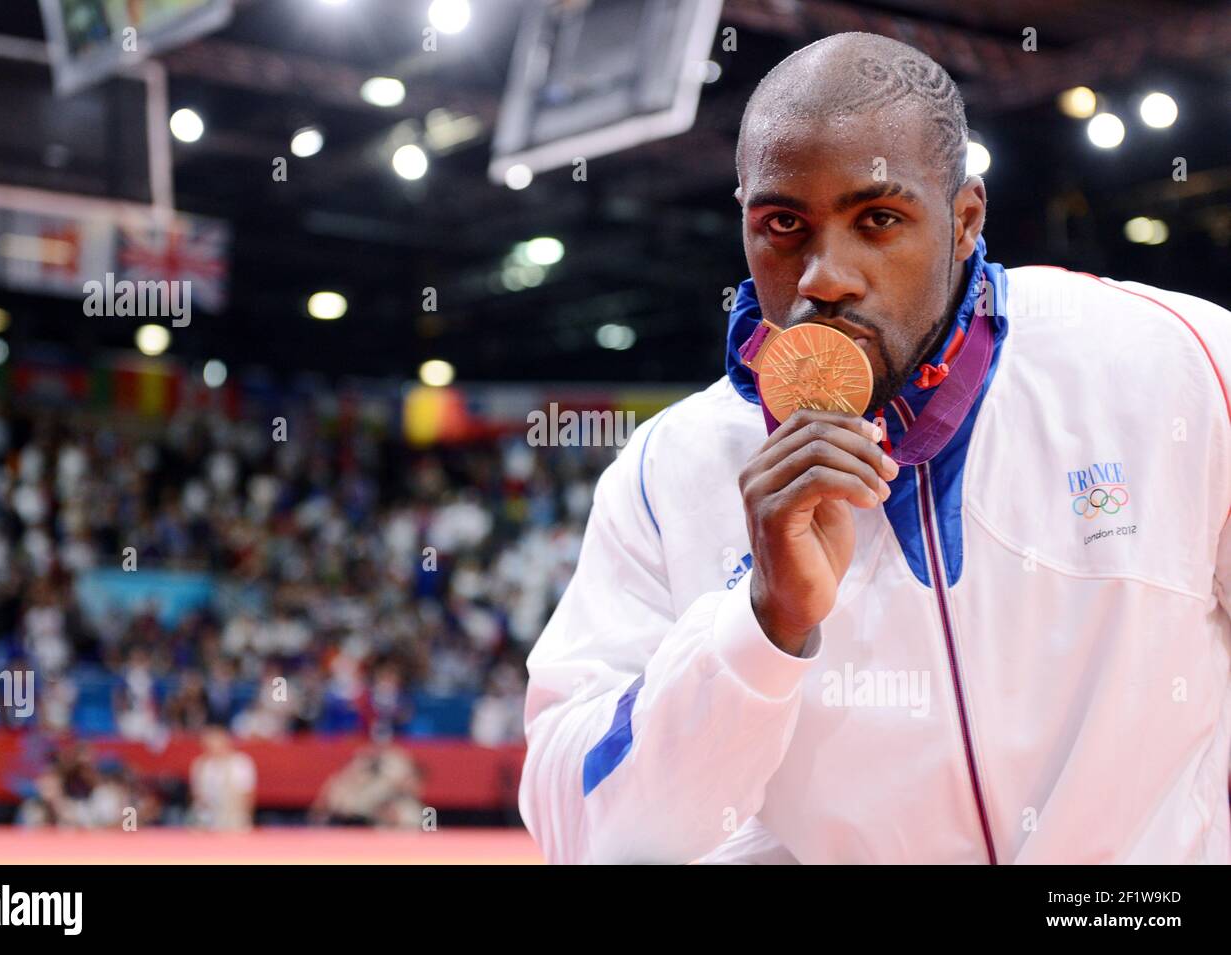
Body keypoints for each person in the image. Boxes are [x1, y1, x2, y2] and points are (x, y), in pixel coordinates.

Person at [519, 32, 1231, 864]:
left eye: (879, 218)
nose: (825, 274)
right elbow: (585, 832)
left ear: (966, 220)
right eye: (783, 223)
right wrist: (762, 625)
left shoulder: (1177, 363)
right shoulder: (665, 472)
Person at [189, 725, 256, 831]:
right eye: (208, 744)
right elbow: (197, 794)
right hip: (207, 818)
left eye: (216, 742)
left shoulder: (240, 763)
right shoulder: (201, 765)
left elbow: (247, 795)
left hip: (234, 818)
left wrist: (243, 819)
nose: (213, 747)